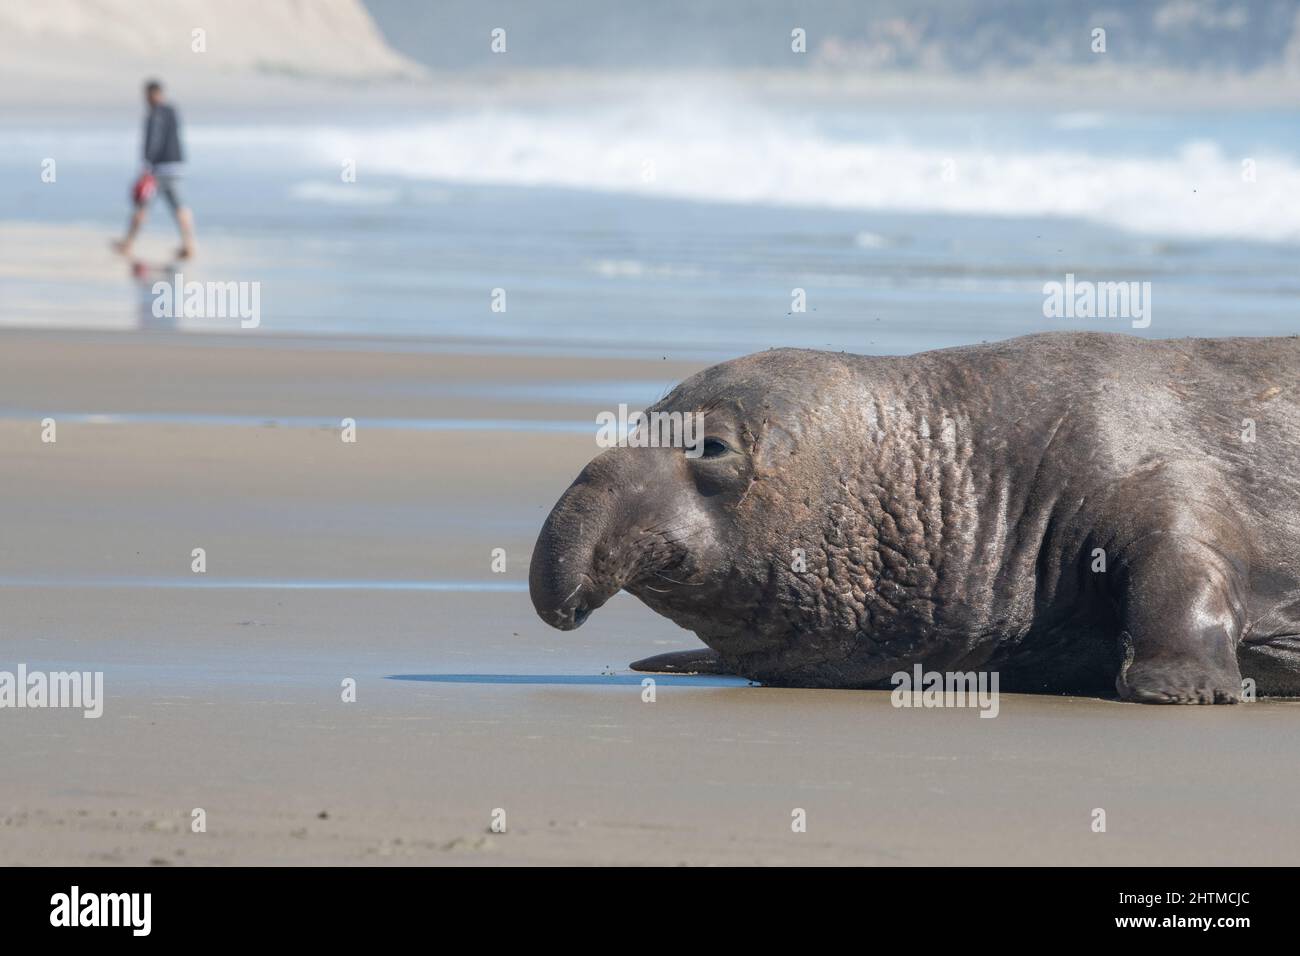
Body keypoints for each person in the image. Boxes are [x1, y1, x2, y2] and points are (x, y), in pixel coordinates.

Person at [113, 79, 196, 259]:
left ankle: (128, 243)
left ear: (152, 94)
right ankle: (189, 245)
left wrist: (147, 165)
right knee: (179, 206)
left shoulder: (155, 114)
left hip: (158, 169)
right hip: (175, 166)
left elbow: (155, 140)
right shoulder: (172, 111)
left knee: (142, 205)